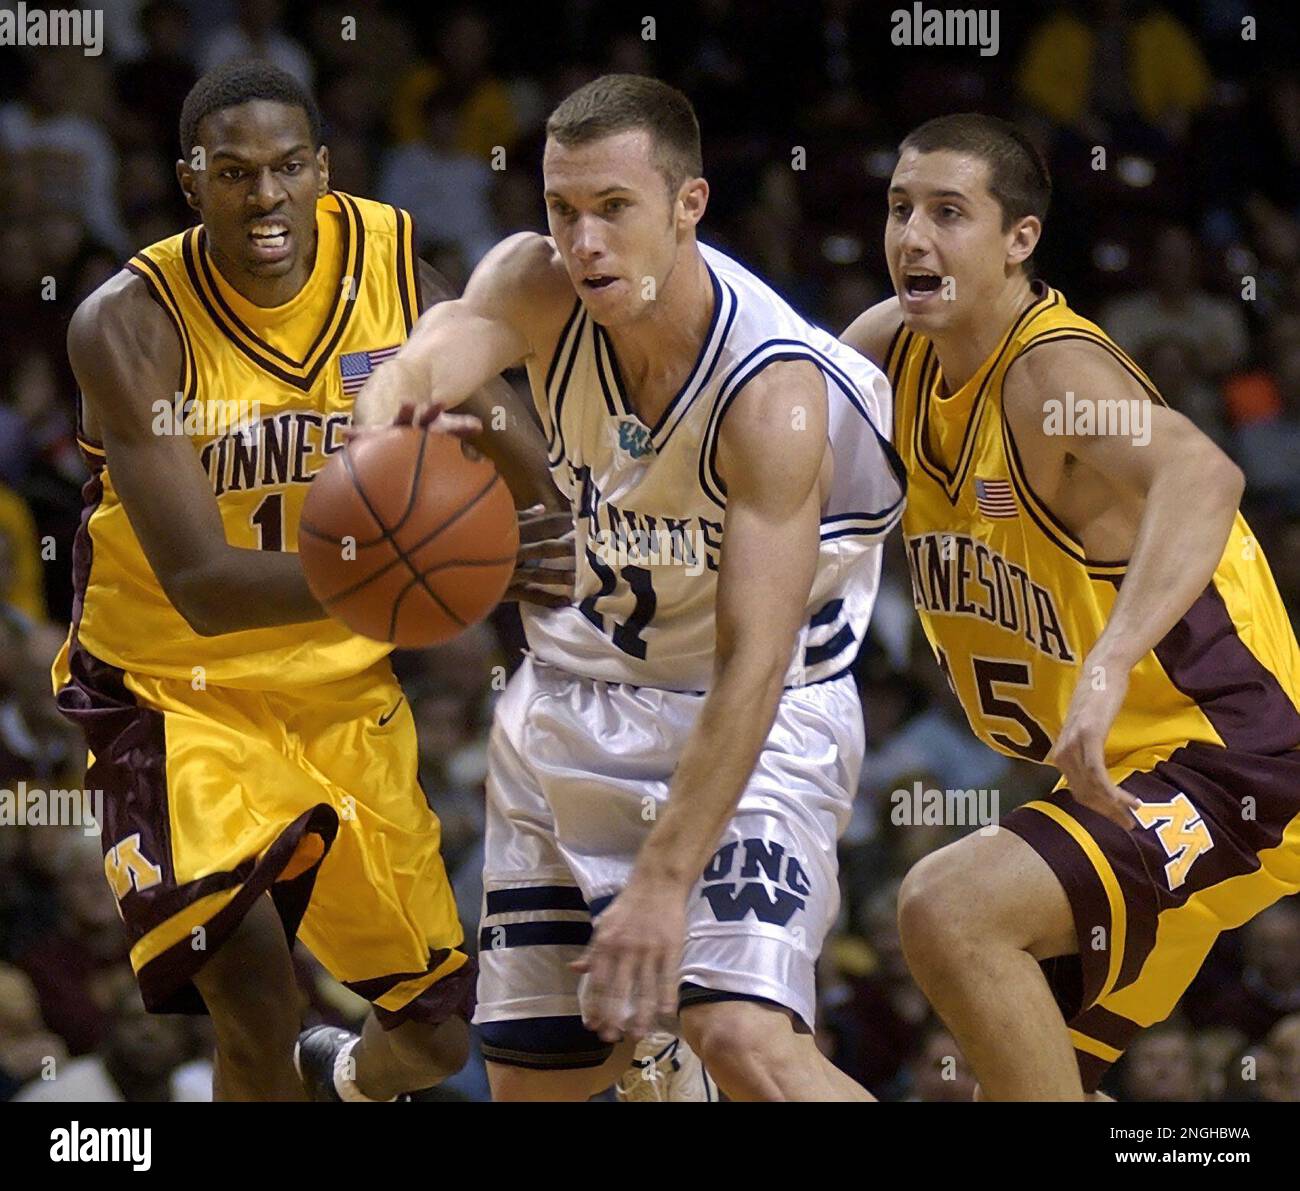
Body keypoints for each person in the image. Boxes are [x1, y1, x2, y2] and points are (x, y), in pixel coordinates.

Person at [356, 73, 905, 1102]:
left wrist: (660, 885)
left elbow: (755, 661)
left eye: (614, 209)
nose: (584, 240)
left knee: (738, 1034)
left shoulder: (769, 391)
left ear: (686, 206)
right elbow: (431, 352)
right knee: (541, 1085)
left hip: (754, 714)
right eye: (563, 209)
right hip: (572, 698)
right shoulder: (536, 282)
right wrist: (384, 417)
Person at [51, 60, 560, 1103]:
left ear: (324, 171)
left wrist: (569, 531)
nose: (266, 195)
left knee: (431, 1042)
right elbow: (203, 582)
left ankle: (342, 1085)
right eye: (233, 173)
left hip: (341, 693)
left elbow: (497, 411)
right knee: (257, 1005)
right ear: (190, 183)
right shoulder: (126, 324)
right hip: (176, 694)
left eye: (288, 167)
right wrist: (436, 575)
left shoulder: (389, 261)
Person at [842, 112, 1300, 1100]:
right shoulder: (884, 352)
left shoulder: (1051, 375)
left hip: (1232, 762)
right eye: (898, 208)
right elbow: (764, 447)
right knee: (996, 1083)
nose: (913, 236)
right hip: (1116, 785)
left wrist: (1104, 665)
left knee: (948, 909)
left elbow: (1202, 472)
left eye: (948, 213)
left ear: (1019, 240)